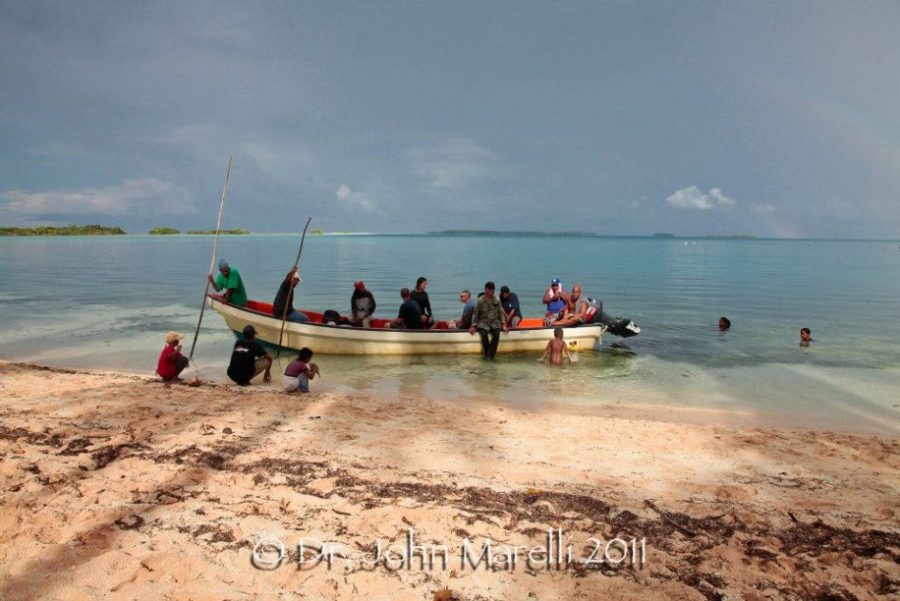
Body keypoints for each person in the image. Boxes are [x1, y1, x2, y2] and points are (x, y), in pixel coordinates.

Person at [469, 281, 505, 358]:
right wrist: (473, 326)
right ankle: (488, 355)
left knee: (496, 335)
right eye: (490, 289)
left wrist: (503, 324)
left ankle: (489, 356)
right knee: (484, 335)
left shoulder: (497, 300)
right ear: (486, 289)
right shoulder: (480, 300)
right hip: (483, 322)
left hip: (495, 322)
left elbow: (500, 313)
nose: (492, 290)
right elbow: (475, 314)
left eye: (493, 289)